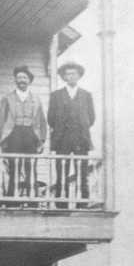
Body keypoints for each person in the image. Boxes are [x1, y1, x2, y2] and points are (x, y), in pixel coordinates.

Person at [48, 61, 95, 205]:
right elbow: (51, 118)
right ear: (64, 77)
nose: (71, 76)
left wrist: (80, 128)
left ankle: (83, 202)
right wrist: (61, 129)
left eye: (74, 74)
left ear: (79, 76)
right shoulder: (56, 95)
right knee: (62, 170)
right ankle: (61, 202)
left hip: (81, 139)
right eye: (68, 74)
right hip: (62, 138)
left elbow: (91, 117)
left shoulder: (86, 95)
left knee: (82, 171)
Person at [0, 66, 47, 201]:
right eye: (19, 78)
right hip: (14, 134)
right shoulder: (7, 98)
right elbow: (1, 121)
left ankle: (32, 200)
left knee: (31, 167)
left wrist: (42, 140)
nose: (22, 80)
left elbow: (42, 121)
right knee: (14, 167)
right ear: (15, 80)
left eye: (24, 78)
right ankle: (11, 201)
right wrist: (2, 141)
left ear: (29, 80)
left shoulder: (36, 99)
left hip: (31, 134)